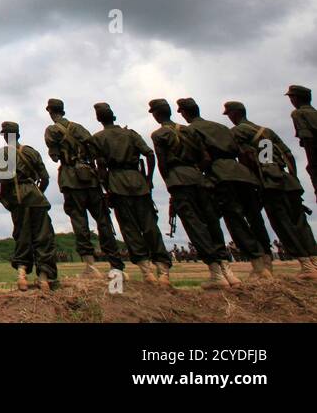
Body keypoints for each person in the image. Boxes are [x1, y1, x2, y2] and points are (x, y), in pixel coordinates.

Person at [147, 100, 237, 289]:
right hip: (199, 178)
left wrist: (171, 184)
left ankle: (215, 272)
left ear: (156, 115)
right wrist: (197, 171)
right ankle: (227, 269)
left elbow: (162, 164)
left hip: (179, 180)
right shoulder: (190, 131)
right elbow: (205, 157)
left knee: (194, 224)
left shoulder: (159, 134)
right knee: (211, 221)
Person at [178, 98, 272, 279]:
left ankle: (258, 265)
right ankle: (266, 260)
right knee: (255, 217)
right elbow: (244, 153)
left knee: (235, 219)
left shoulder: (191, 130)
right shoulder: (224, 128)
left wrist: (204, 175)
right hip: (242, 174)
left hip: (220, 175)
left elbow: (202, 157)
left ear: (185, 112)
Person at [224, 101, 317, 280]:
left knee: (282, 224)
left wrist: (254, 181)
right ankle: (314, 260)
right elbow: (288, 155)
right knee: (300, 223)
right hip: (287, 180)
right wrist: (293, 177)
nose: (229, 117)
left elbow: (246, 157)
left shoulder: (237, 132)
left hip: (267, 182)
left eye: (229, 114)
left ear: (235, 114)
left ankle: (306, 265)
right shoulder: (266, 131)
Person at [88, 103, 170, 286]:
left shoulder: (98, 138)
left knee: (129, 228)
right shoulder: (131, 134)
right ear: (113, 117)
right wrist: (148, 179)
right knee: (150, 226)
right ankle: (163, 271)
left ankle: (146, 271)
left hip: (117, 184)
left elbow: (100, 166)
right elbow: (149, 155)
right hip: (138, 182)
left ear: (99, 119)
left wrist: (106, 188)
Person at [44, 98, 123, 277]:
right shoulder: (79, 127)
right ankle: (115, 265)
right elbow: (96, 151)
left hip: (71, 179)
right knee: (103, 220)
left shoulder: (52, 130)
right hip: (91, 178)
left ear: (50, 111)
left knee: (79, 221)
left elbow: (55, 157)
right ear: (62, 110)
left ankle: (90, 266)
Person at [0, 122, 57, 292]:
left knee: (22, 235)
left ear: (5, 136)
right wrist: (38, 193)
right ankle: (44, 278)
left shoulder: (3, 153)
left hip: (18, 198)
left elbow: (5, 180)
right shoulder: (31, 151)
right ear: (18, 135)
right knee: (43, 237)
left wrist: (1, 195)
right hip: (36, 197)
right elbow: (45, 178)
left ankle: (22, 276)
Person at [287, 84, 317, 197]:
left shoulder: (298, 113)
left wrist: (312, 166)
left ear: (297, 98)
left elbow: (307, 139)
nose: (291, 101)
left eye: (291, 97)